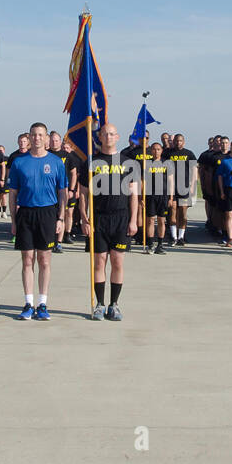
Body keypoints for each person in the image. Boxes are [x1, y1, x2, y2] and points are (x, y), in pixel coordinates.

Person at [8, 122, 69, 319]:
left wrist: (60, 217)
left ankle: (43, 303)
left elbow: (63, 192)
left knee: (44, 260)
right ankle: (28, 303)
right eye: (33, 135)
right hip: (25, 213)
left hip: (47, 213)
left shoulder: (57, 162)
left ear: (46, 138)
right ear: (29, 137)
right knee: (27, 260)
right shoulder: (19, 162)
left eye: (40, 135)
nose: (37, 138)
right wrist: (14, 220)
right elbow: (12, 194)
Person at [82, 123, 137, 321]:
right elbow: (83, 193)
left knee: (117, 261)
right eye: (104, 133)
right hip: (98, 218)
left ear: (118, 137)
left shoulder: (127, 162)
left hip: (121, 217)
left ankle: (114, 305)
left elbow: (133, 194)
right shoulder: (91, 161)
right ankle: (99, 304)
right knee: (99, 262)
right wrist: (84, 218)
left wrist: (133, 220)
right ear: (99, 137)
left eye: (112, 133)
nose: (108, 136)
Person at [164, 133, 197, 247]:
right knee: (172, 212)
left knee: (183, 213)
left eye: (180, 141)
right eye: (176, 141)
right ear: (173, 142)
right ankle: (173, 237)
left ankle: (181, 237)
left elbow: (194, 170)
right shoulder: (168, 153)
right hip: (171, 188)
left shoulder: (189, 154)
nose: (178, 143)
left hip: (184, 188)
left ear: (184, 142)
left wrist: (193, 185)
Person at [142, 141, 172, 254]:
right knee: (150, 220)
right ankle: (150, 244)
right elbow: (142, 181)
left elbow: (170, 181)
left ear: (161, 150)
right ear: (151, 151)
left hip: (163, 196)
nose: (156, 151)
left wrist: (171, 197)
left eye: (158, 149)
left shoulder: (166, 163)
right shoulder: (147, 164)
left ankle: (160, 245)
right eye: (154, 149)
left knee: (161, 220)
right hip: (150, 196)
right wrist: (142, 197)